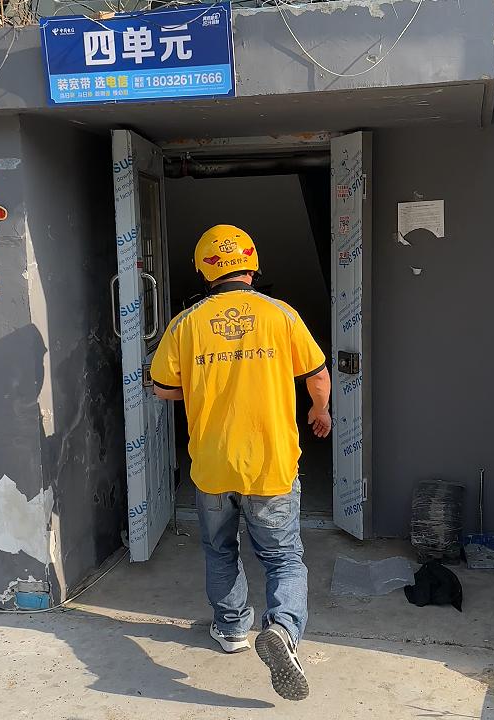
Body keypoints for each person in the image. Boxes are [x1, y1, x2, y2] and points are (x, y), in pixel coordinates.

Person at [150, 225, 331, 701]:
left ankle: (231, 629)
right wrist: (321, 410)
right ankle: (283, 630)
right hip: (270, 465)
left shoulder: (185, 323)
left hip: (213, 466)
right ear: (252, 264)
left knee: (219, 549)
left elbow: (163, 388)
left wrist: (203, 382)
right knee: (282, 557)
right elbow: (316, 376)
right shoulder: (281, 315)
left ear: (203, 270)